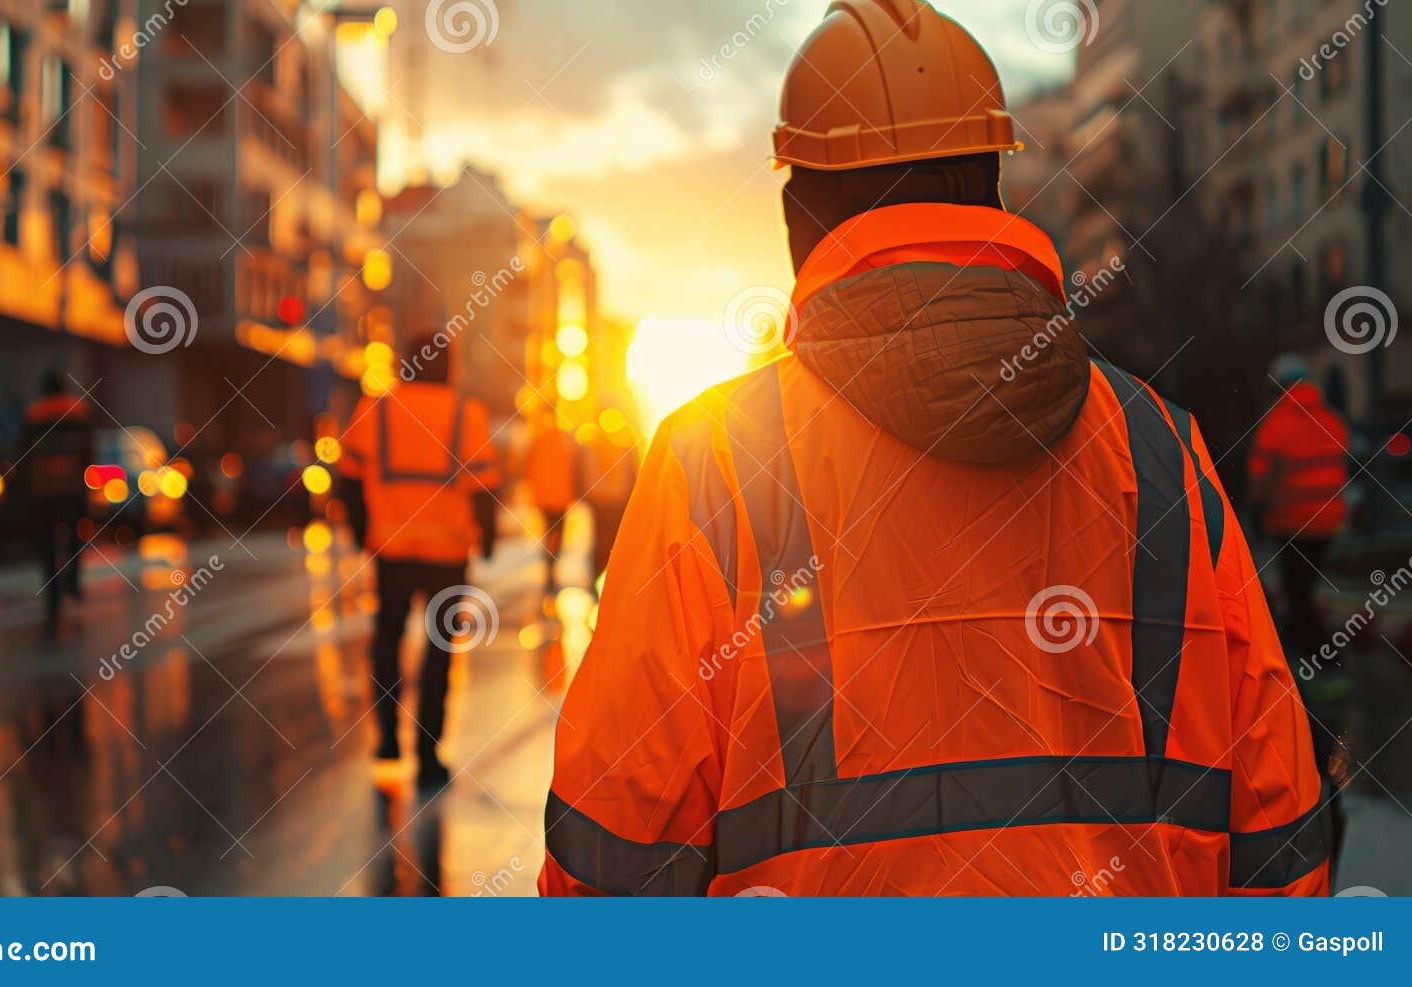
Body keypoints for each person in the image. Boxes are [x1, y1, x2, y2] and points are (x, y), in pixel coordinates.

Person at [541, 0, 1328, 897]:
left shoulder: (714, 460)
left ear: (797, 213)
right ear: (994, 185)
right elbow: (1280, 829)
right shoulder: (1158, 447)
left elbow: (610, 853)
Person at [339, 336, 500, 789]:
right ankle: (428, 754)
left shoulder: (377, 409)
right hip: (447, 553)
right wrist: (486, 537)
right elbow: (483, 484)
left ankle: (388, 736)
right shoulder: (465, 412)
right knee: (439, 649)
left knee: (387, 638)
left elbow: (348, 478)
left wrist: (359, 529)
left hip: (390, 547)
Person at [1247, 354, 1350, 777]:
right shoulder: (1330, 418)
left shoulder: (1277, 425)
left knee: (1297, 591)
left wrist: (1258, 509)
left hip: (1292, 523)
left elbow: (1260, 477)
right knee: (1303, 588)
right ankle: (1314, 653)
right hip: (1328, 523)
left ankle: (1319, 659)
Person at [18, 372, 94, 635]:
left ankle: (53, 589)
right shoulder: (78, 411)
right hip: (71, 487)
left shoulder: (34, 414)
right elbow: (88, 450)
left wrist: (24, 485)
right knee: (74, 536)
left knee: (47, 543)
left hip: (43, 490)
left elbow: (23, 453)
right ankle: (71, 581)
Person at [580, 418, 639, 588]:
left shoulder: (590, 447)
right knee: (617, 541)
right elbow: (634, 475)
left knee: (599, 540)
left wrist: (585, 497)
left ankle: (596, 576)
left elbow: (582, 473)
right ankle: (615, 579)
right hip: (617, 500)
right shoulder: (624, 447)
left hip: (598, 500)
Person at [523, 414, 577, 594]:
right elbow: (574, 468)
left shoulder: (539, 440)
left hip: (545, 499)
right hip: (560, 499)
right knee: (557, 536)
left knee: (549, 534)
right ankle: (551, 567)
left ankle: (550, 567)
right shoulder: (565, 440)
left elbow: (528, 468)